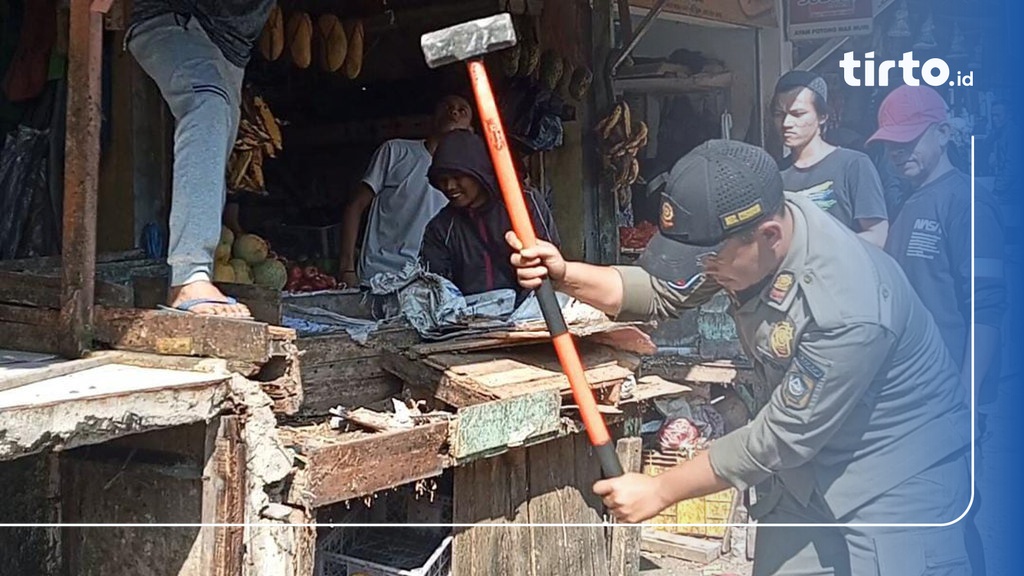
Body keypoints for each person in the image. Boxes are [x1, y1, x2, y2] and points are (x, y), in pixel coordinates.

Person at [508, 140, 971, 575]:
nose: (703, 271)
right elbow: (663, 294)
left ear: (768, 235)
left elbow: (781, 437)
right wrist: (565, 273)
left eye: (709, 261)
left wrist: (660, 489)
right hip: (803, 477)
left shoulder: (848, 307)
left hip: (895, 485)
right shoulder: (749, 234)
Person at [869, 86, 1006, 576]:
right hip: (907, 401)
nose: (899, 151)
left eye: (910, 139)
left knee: (952, 529)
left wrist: (965, 405)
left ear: (944, 133)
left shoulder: (968, 203)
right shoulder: (907, 202)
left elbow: (987, 310)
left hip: (948, 402)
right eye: (891, 143)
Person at [127, 1, 277, 317]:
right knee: (207, 105)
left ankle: (199, 275)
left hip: (231, 50)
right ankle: (189, 279)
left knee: (215, 137)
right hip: (176, 20)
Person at [338, 95, 474, 288]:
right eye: (447, 107)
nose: (453, 112)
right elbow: (355, 206)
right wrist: (347, 268)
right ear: (432, 118)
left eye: (462, 110)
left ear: (470, 129)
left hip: (431, 281)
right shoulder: (395, 151)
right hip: (379, 276)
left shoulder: (466, 175)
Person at [420, 129, 559, 302]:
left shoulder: (522, 203)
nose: (449, 186)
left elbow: (546, 264)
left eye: (457, 177)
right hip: (468, 323)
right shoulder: (440, 228)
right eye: (442, 179)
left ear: (478, 173)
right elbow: (436, 287)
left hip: (529, 317)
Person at [772, 71, 889, 247]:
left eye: (798, 114)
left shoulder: (853, 165)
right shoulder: (775, 174)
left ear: (822, 116)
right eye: (779, 114)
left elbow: (877, 236)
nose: (787, 123)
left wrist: (825, 250)